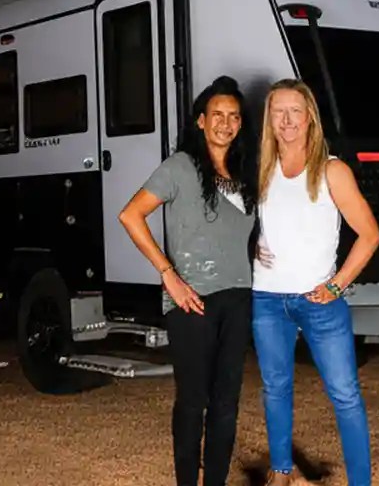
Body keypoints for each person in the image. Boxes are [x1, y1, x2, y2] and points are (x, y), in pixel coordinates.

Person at [118, 75, 259, 486]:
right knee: (193, 400)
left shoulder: (245, 171)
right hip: (191, 300)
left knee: (226, 404)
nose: (226, 123)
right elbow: (130, 215)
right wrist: (169, 276)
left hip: (237, 298)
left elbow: (242, 232)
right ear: (201, 120)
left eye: (233, 116)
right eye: (217, 114)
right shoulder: (179, 166)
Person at [251, 78, 379, 486]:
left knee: (344, 395)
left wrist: (337, 285)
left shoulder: (331, 170)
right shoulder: (262, 168)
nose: (287, 120)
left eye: (295, 111)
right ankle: (282, 473)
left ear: (310, 117)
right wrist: (251, 246)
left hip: (320, 301)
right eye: (278, 112)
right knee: (275, 389)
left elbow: (370, 234)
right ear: (269, 120)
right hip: (268, 298)